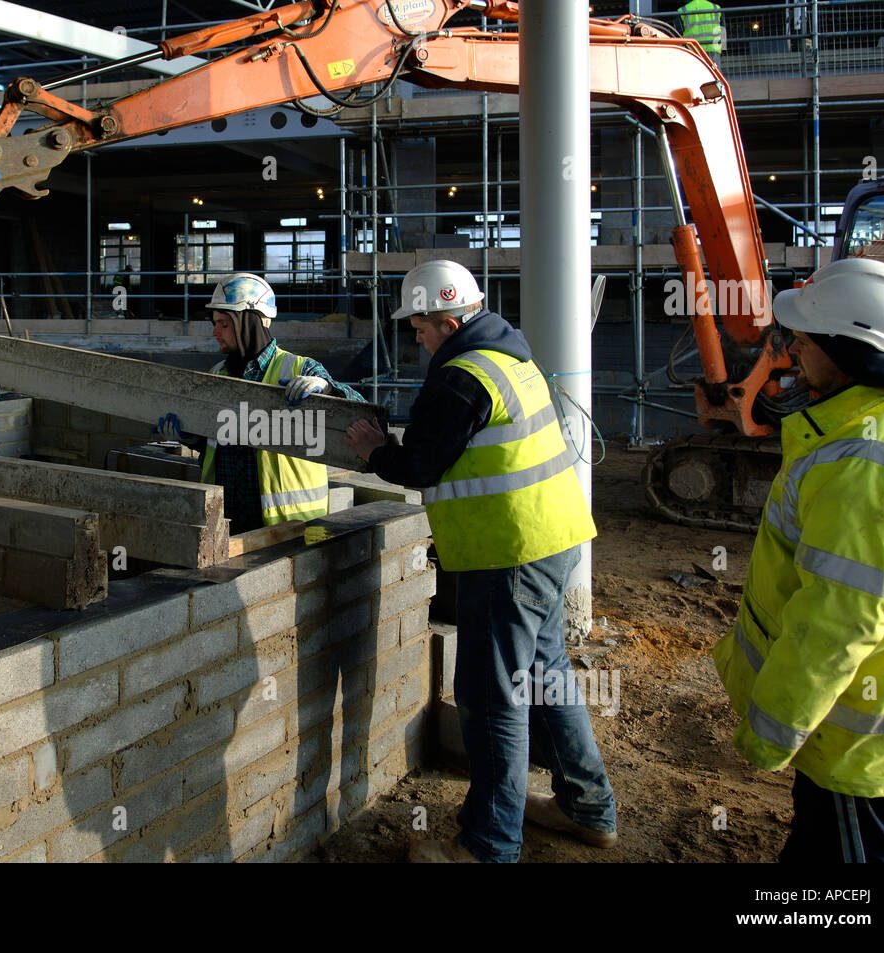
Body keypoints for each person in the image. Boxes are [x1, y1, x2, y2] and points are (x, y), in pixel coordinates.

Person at [344, 259, 617, 863]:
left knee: (493, 697)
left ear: (447, 320)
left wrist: (373, 452)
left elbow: (419, 465)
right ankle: (587, 808)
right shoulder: (510, 357)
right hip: (553, 540)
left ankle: (488, 846)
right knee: (546, 676)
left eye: (419, 327)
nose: (415, 337)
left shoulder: (460, 377)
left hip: (508, 556)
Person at [713, 257, 884, 863]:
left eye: (805, 339)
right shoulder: (882, 419)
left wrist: (771, 730)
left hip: (851, 726)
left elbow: (838, 621)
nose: (792, 349)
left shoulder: (865, 463)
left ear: (849, 350)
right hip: (849, 710)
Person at [200, 273, 365, 534]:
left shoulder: (302, 368)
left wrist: (329, 390)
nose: (215, 332)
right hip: (226, 522)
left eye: (223, 324)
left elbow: (364, 414)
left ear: (248, 322)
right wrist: (186, 434)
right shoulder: (216, 374)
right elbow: (213, 441)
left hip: (290, 525)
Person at [678, 0, 724, 67]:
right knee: (713, 75)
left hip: (692, 50)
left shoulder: (683, 10)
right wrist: (723, 49)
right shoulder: (716, 8)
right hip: (713, 49)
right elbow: (723, 29)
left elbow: (678, 34)